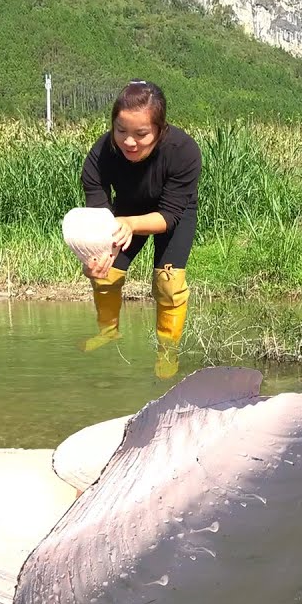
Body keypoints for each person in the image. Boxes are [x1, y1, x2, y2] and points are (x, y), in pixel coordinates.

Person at [77, 80, 202, 380]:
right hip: (123, 213)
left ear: (160, 129)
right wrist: (93, 253)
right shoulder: (100, 154)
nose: (129, 142)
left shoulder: (183, 151)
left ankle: (167, 351)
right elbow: (98, 209)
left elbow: (169, 216)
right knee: (104, 272)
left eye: (141, 134)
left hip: (173, 214)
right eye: (121, 131)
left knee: (169, 284)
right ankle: (108, 331)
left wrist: (132, 224)